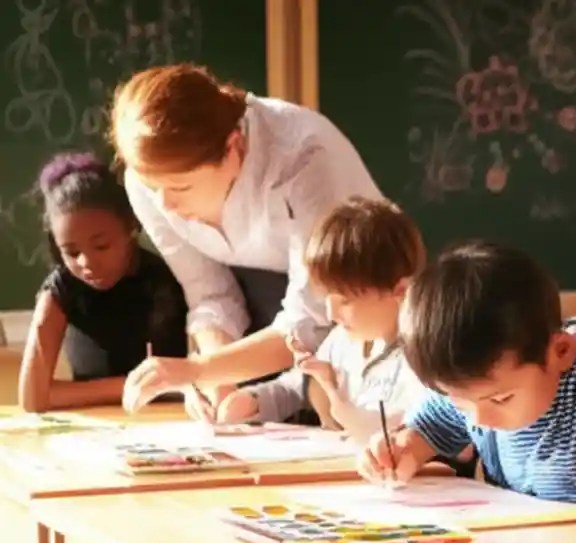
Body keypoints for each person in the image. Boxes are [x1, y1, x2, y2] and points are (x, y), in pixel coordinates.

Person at [108, 63, 381, 419]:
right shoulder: (150, 184)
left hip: (368, 314)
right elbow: (210, 294)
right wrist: (216, 382)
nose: (165, 205)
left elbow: (311, 321)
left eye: (181, 187)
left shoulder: (304, 158)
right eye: (151, 187)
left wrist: (201, 369)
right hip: (276, 331)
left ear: (233, 146)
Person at [358, 240, 576, 508]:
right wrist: (396, 454)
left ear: (560, 351)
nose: (481, 420)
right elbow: (420, 437)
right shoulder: (474, 386)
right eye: (460, 404)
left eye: (502, 399)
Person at [216, 198, 425, 443]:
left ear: (400, 291)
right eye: (326, 297)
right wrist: (256, 400)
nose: (331, 314)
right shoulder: (343, 340)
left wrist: (336, 400)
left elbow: (412, 431)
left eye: (345, 301)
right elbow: (296, 388)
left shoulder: (425, 356)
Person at [19, 153, 186, 412]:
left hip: (166, 419)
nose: (87, 263)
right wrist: (134, 385)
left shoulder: (169, 279)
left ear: (131, 226)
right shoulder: (62, 289)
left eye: (101, 246)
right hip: (97, 424)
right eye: (71, 252)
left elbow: (200, 377)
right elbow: (32, 399)